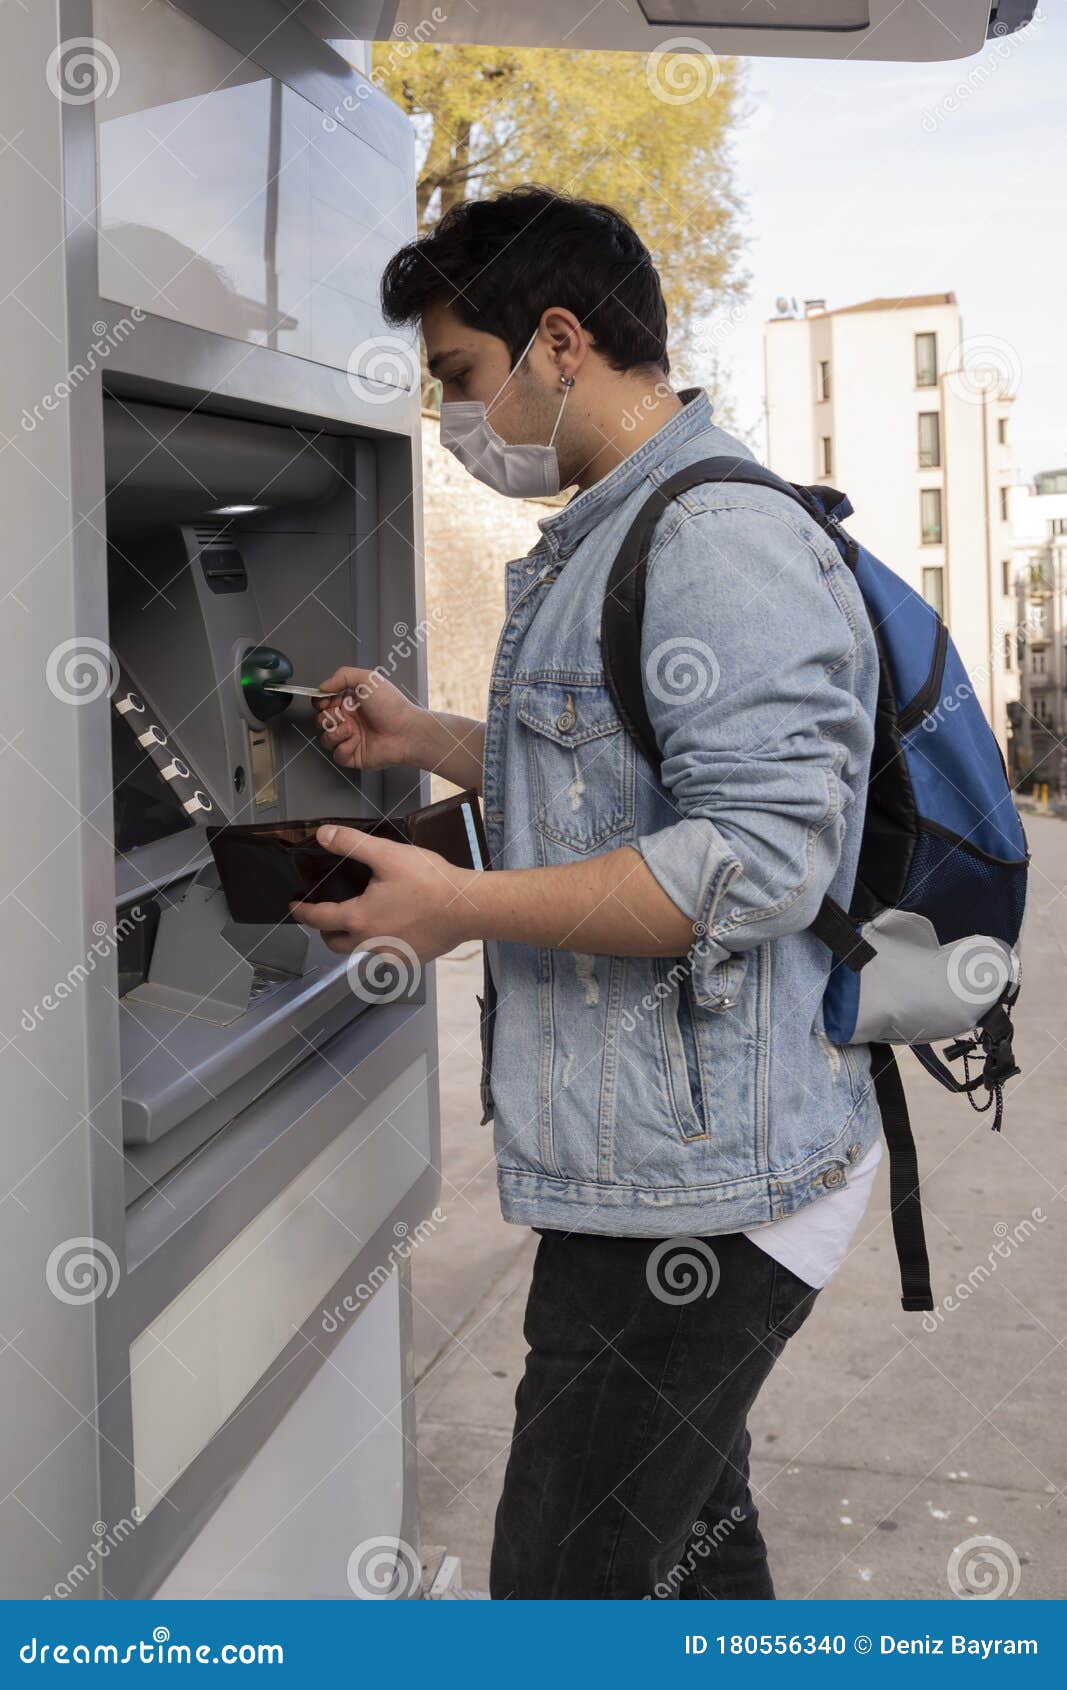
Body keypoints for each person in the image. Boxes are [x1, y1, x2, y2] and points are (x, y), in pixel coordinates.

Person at [294, 187, 883, 1600]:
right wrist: (430, 737)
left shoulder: (711, 536)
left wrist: (461, 906)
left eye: (459, 376)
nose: (453, 418)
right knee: (683, 1570)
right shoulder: (623, 526)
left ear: (560, 340)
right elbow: (619, 768)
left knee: (561, 1595)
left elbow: (752, 856)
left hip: (703, 1198)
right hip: (665, 1169)